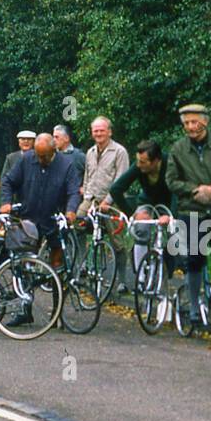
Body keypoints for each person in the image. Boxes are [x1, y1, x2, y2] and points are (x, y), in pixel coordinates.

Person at [165, 103, 211, 327]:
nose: (190, 127)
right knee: (195, 258)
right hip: (192, 210)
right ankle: (195, 306)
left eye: (194, 122)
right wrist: (194, 190)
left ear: (205, 121)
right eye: (186, 123)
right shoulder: (178, 149)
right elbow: (171, 180)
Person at [0, 132, 81, 326]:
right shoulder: (27, 160)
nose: (40, 160)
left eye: (44, 156)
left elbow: (73, 191)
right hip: (29, 219)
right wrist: (6, 202)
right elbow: (8, 182)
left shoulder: (66, 165)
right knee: (25, 265)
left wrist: (71, 211)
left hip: (53, 220)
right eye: (38, 155)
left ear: (54, 150)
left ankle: (57, 313)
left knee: (57, 266)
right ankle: (25, 310)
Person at [102, 138, 177, 280]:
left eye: (143, 162)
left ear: (156, 161)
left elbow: (176, 193)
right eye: (138, 160)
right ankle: (141, 276)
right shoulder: (139, 165)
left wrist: (171, 215)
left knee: (175, 233)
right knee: (141, 229)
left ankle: (171, 268)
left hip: (168, 202)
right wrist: (133, 215)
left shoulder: (171, 165)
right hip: (147, 201)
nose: (139, 165)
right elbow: (116, 189)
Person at [79, 115, 132, 292]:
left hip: (113, 201)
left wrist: (108, 200)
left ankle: (122, 280)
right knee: (76, 223)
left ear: (109, 131)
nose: (98, 133)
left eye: (102, 130)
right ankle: (83, 266)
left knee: (117, 241)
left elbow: (121, 179)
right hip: (91, 199)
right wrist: (86, 195)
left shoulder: (119, 152)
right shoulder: (91, 152)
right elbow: (88, 176)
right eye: (95, 131)